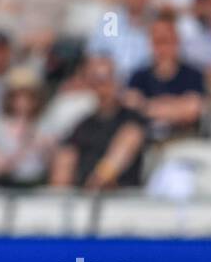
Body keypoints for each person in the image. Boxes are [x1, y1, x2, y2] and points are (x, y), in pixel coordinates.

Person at [50, 55, 147, 190]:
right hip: (82, 193)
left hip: (120, 193)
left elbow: (131, 140)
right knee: (65, 156)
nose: (102, 89)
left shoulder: (131, 118)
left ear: (116, 82)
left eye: (105, 81)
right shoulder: (84, 123)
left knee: (129, 136)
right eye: (96, 82)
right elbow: (66, 154)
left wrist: (97, 181)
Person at [124, 14, 206, 142]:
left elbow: (192, 110)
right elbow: (130, 106)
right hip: (146, 140)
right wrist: (176, 106)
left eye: (166, 41)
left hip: (184, 138)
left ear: (177, 42)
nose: (162, 48)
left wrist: (147, 106)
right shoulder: (139, 76)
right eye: (157, 42)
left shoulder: (193, 74)